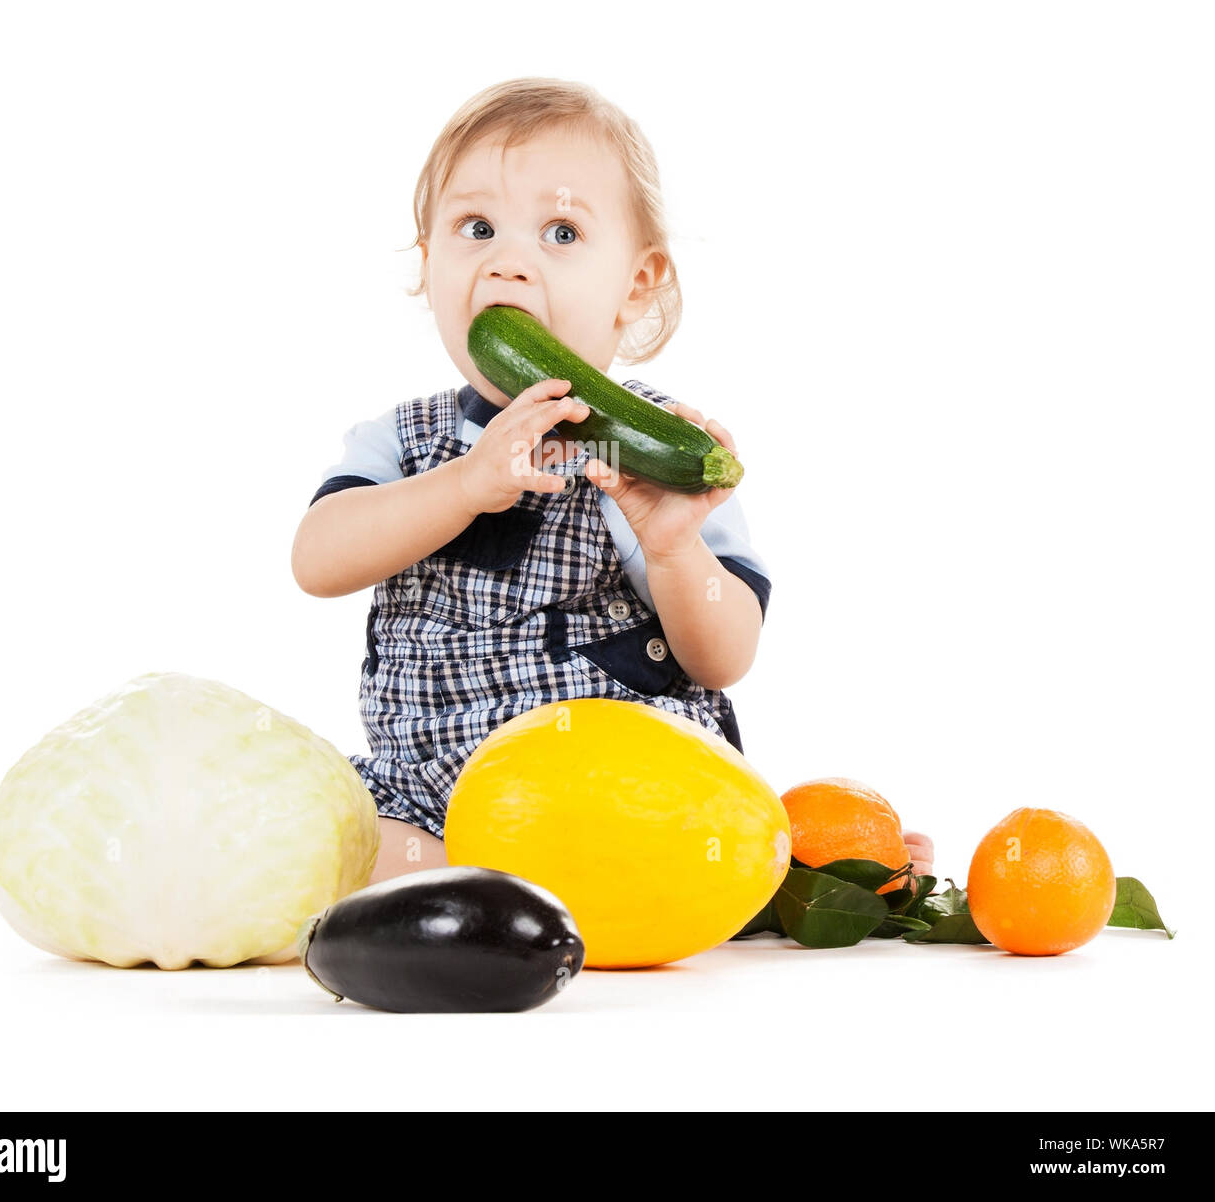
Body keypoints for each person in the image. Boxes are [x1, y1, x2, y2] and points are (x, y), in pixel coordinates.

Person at [291, 77, 933, 888]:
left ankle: (801, 867)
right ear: (429, 263)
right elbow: (317, 561)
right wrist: (462, 486)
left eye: (560, 232)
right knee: (321, 851)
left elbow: (724, 657)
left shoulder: (660, 453)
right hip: (430, 795)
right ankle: (497, 880)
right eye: (476, 228)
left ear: (636, 283)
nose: (508, 263)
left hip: (617, 793)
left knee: (697, 845)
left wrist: (673, 549)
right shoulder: (402, 440)